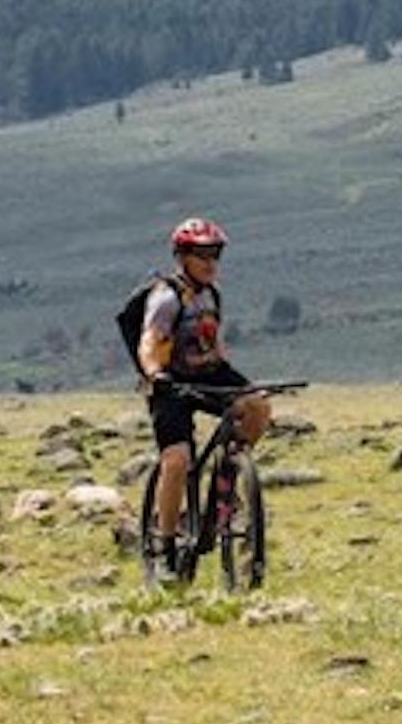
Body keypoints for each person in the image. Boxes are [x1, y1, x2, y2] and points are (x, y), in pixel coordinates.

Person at [139, 217, 271, 582]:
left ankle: (228, 476)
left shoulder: (211, 294)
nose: (211, 262)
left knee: (258, 404)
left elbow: (214, 343)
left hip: (208, 373)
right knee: (178, 460)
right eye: (202, 255)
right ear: (183, 257)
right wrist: (155, 375)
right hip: (172, 383)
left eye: (215, 254)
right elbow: (149, 342)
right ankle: (166, 547)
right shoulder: (166, 298)